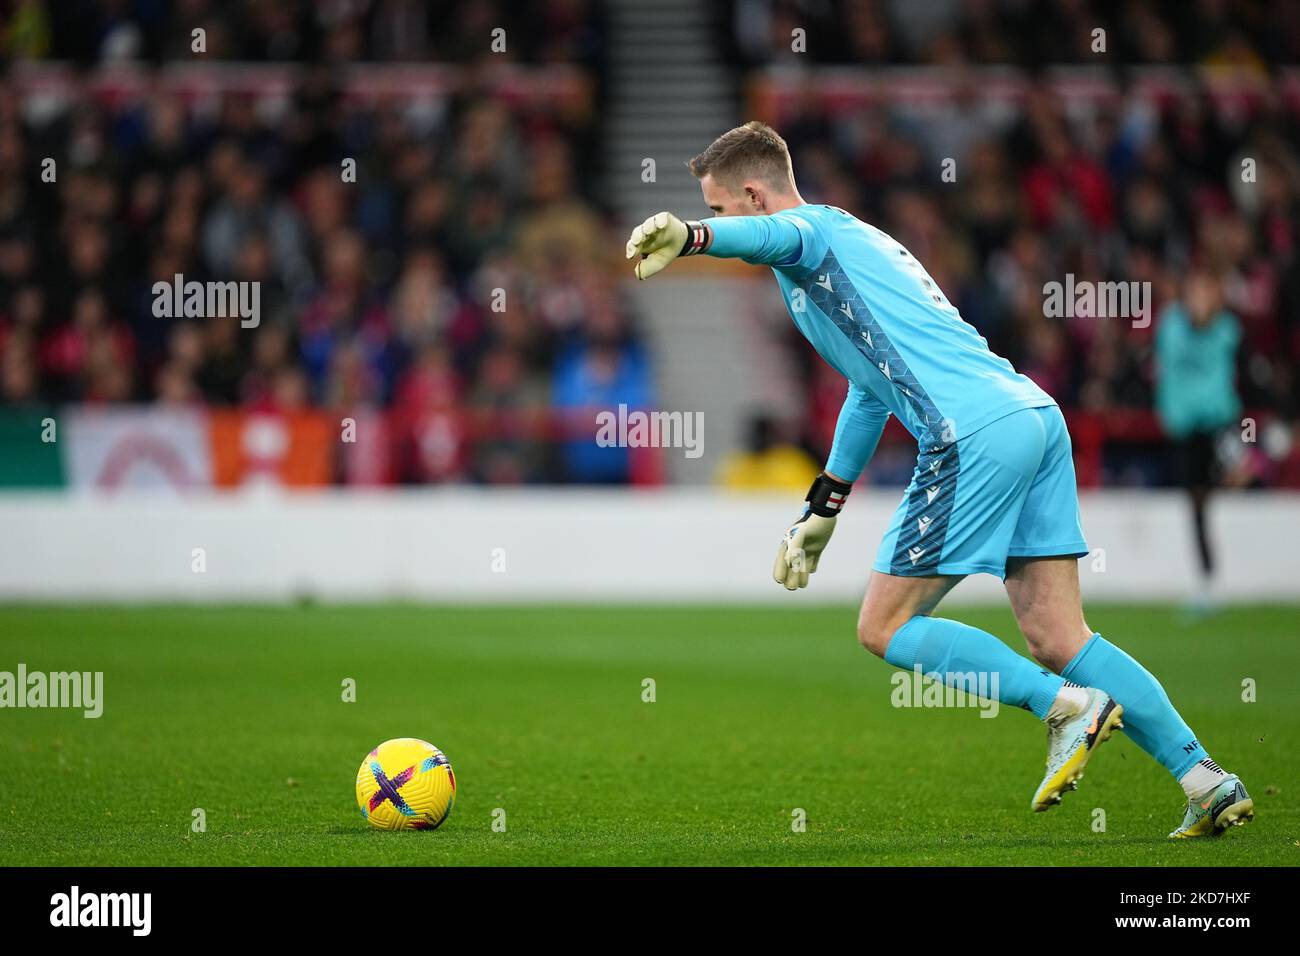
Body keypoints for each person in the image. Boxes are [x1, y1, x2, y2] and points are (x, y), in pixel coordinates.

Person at [625, 121, 1253, 839]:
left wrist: (690, 237)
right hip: (1032, 418)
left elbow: (773, 236)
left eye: (718, 210)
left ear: (754, 195)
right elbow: (869, 392)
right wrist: (823, 506)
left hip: (972, 433)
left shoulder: (806, 234)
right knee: (1058, 632)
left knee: (883, 624)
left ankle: (1066, 706)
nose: (715, 223)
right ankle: (1204, 779)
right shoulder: (845, 254)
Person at [1154, 272, 1243, 617]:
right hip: (1185, 428)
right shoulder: (1171, 327)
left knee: (1240, 478)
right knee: (1197, 502)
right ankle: (1207, 583)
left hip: (1220, 424)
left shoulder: (1227, 330)